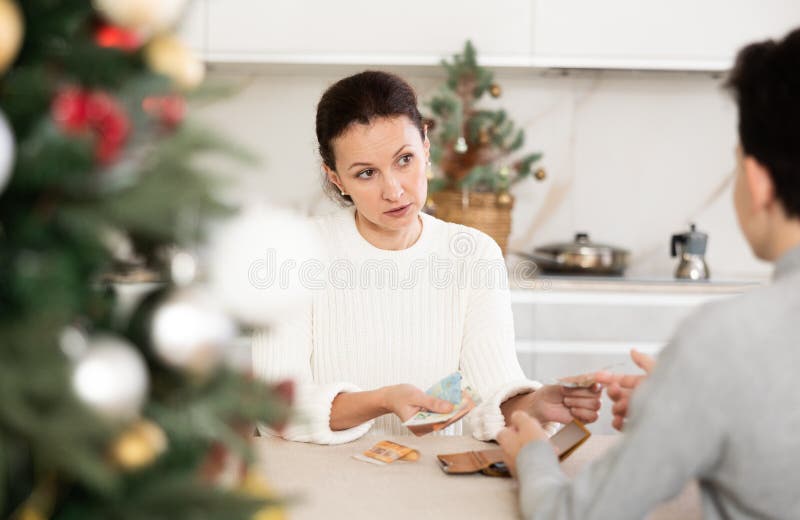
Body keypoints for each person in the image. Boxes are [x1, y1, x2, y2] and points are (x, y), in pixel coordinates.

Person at [497, 27, 800, 519]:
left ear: (756, 181)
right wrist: (686, 402)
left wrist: (530, 452)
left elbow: (569, 514)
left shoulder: (726, 341)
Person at [252, 70, 602, 444]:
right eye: (366, 173)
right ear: (336, 178)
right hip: (320, 486)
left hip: (433, 481)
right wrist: (384, 400)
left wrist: (535, 404)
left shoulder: (473, 255)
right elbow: (276, 411)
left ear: (426, 148)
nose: (394, 190)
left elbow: (493, 390)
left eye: (405, 160)